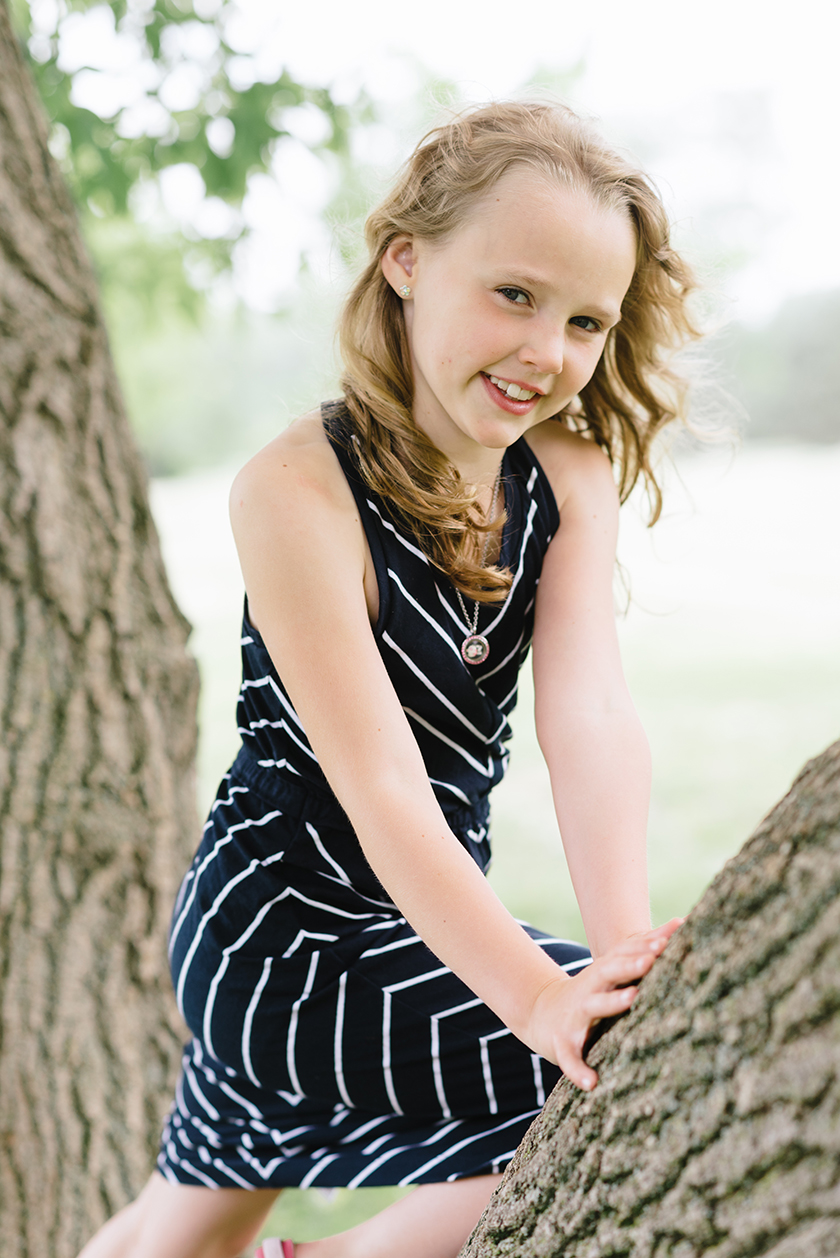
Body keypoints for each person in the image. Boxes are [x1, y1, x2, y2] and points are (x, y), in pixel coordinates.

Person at [79, 100, 700, 1258]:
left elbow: (590, 714)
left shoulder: (565, 476)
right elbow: (381, 784)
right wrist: (541, 1000)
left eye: (584, 321)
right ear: (407, 261)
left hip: (420, 917)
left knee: (175, 1239)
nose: (546, 351)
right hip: (279, 934)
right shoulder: (297, 491)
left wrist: (622, 957)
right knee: (620, 1071)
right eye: (513, 294)